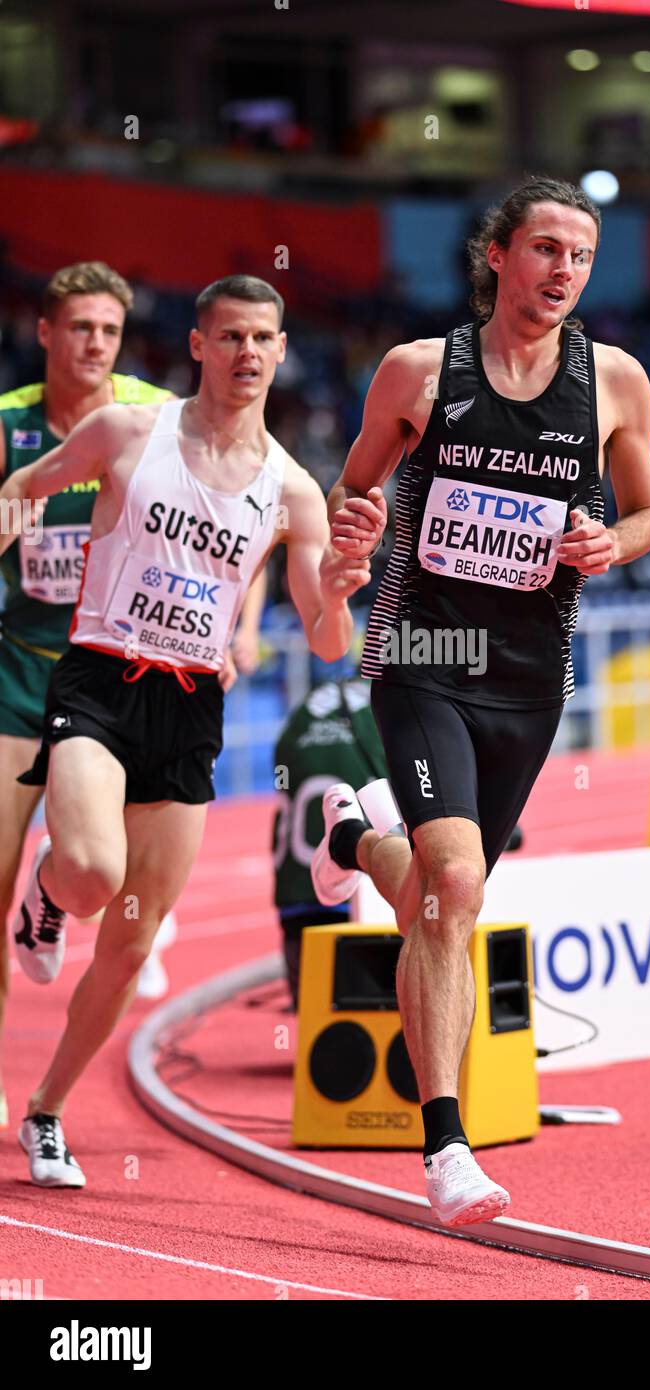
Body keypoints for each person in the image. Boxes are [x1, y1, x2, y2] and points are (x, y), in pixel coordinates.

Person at [313, 176, 650, 1226]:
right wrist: (350, 529)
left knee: (429, 891)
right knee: (456, 884)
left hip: (526, 678)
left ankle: (351, 840)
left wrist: (613, 541)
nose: (562, 272)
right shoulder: (420, 371)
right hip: (423, 649)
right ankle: (445, 1148)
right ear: (497, 255)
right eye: (545, 249)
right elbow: (356, 486)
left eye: (580, 257)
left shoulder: (615, 384)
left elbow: (641, 513)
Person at [0, 273, 379, 1185]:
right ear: (199, 347)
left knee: (132, 941)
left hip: (190, 707)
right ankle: (48, 896)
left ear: (282, 352)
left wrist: (333, 595)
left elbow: (329, 641)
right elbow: (27, 481)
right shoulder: (129, 431)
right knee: (92, 870)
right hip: (96, 677)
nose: (249, 354)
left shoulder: (293, 490)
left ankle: (46, 1110)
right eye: (232, 337)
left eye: (265, 340)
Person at [0, 261, 172, 1131]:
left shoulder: (150, 413)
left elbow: (239, 507)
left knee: (103, 878)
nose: (95, 344)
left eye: (108, 329)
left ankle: (58, 896)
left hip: (112, 680)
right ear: (45, 334)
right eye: (79, 328)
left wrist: (242, 622)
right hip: (19, 671)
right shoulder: (9, 425)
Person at [273, 676, 389, 1006]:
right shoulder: (391, 706)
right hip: (369, 893)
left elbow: (281, 775)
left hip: (297, 891)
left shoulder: (305, 710)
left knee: (316, 1020)